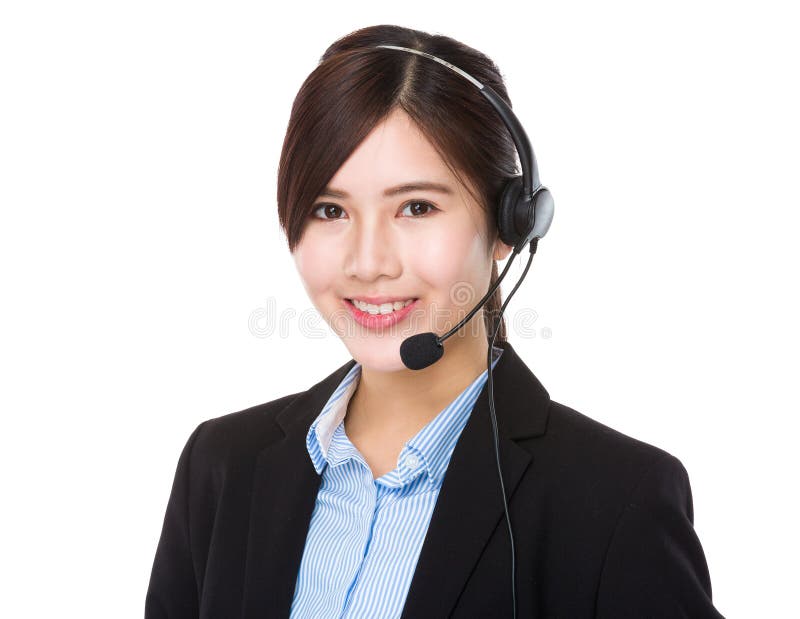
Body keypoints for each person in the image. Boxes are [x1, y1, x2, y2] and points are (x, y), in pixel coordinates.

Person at [146, 24, 724, 618]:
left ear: (510, 223)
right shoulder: (220, 467)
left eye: (416, 207)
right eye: (329, 210)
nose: (368, 263)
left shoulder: (617, 500)